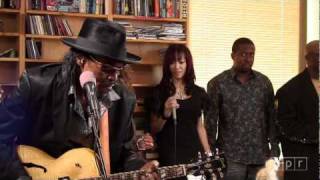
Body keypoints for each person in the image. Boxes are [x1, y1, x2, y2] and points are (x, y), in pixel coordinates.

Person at [0, 18, 157, 180]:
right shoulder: (37, 85)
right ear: (81, 59)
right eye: (107, 68)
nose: (114, 77)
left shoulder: (124, 100)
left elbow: (126, 153)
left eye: (119, 69)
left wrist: (140, 167)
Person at [206, 37, 280, 180]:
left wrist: (275, 150)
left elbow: (272, 118)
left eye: (251, 54)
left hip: (260, 154)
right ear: (233, 55)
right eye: (243, 54)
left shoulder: (264, 83)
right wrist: (210, 155)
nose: (248, 58)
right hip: (230, 156)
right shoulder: (217, 83)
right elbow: (210, 122)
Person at [147, 44, 211, 177]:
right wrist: (166, 111)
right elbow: (154, 129)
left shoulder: (199, 92)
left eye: (181, 62)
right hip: (170, 154)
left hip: (195, 153)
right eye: (172, 63)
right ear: (167, 66)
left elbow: (200, 127)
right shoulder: (158, 92)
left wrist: (208, 155)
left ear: (188, 63)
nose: (177, 67)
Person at [275, 40, 319, 180]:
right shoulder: (289, 90)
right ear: (307, 58)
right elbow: (284, 126)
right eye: (317, 55)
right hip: (304, 162)